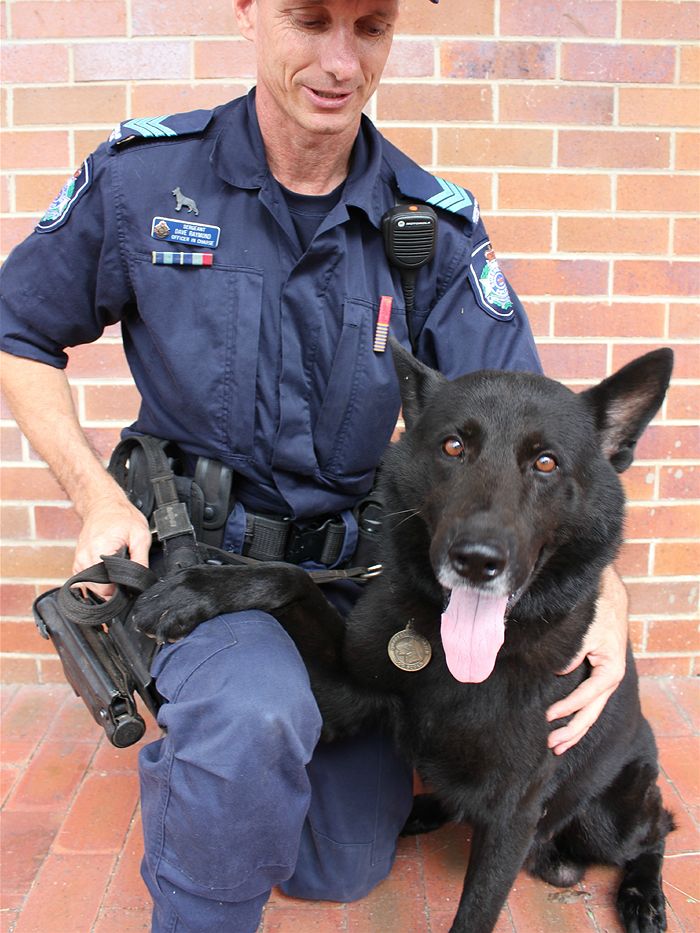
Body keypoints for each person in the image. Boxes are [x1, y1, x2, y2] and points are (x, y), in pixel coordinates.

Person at [0, 0, 629, 929]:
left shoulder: (433, 228)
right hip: (212, 569)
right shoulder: (148, 180)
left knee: (338, 864)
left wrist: (604, 598)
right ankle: (217, 777)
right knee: (254, 721)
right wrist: (93, 493)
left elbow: (534, 437)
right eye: (310, 18)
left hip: (355, 588)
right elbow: (19, 331)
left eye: (370, 27)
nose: (340, 59)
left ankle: (222, 782)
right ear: (251, 12)